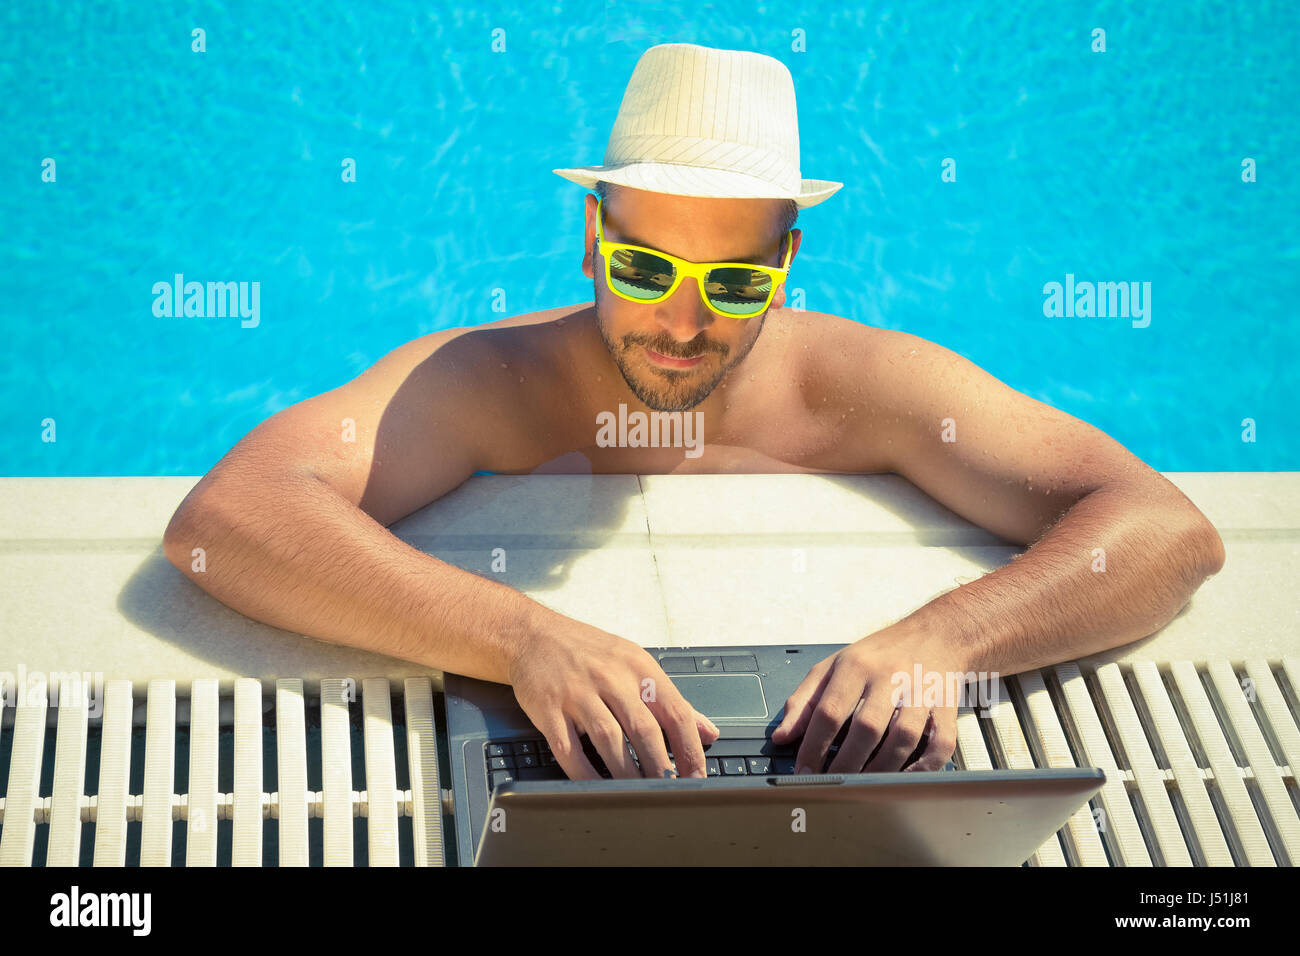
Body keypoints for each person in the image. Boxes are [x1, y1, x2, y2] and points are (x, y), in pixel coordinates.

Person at [163, 43, 1224, 783]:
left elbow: (1163, 528)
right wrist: (520, 634)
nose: (679, 320)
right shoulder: (495, 382)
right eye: (640, 265)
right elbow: (232, 517)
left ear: (785, 266)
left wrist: (948, 638)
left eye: (731, 283)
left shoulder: (861, 385)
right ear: (589, 240)